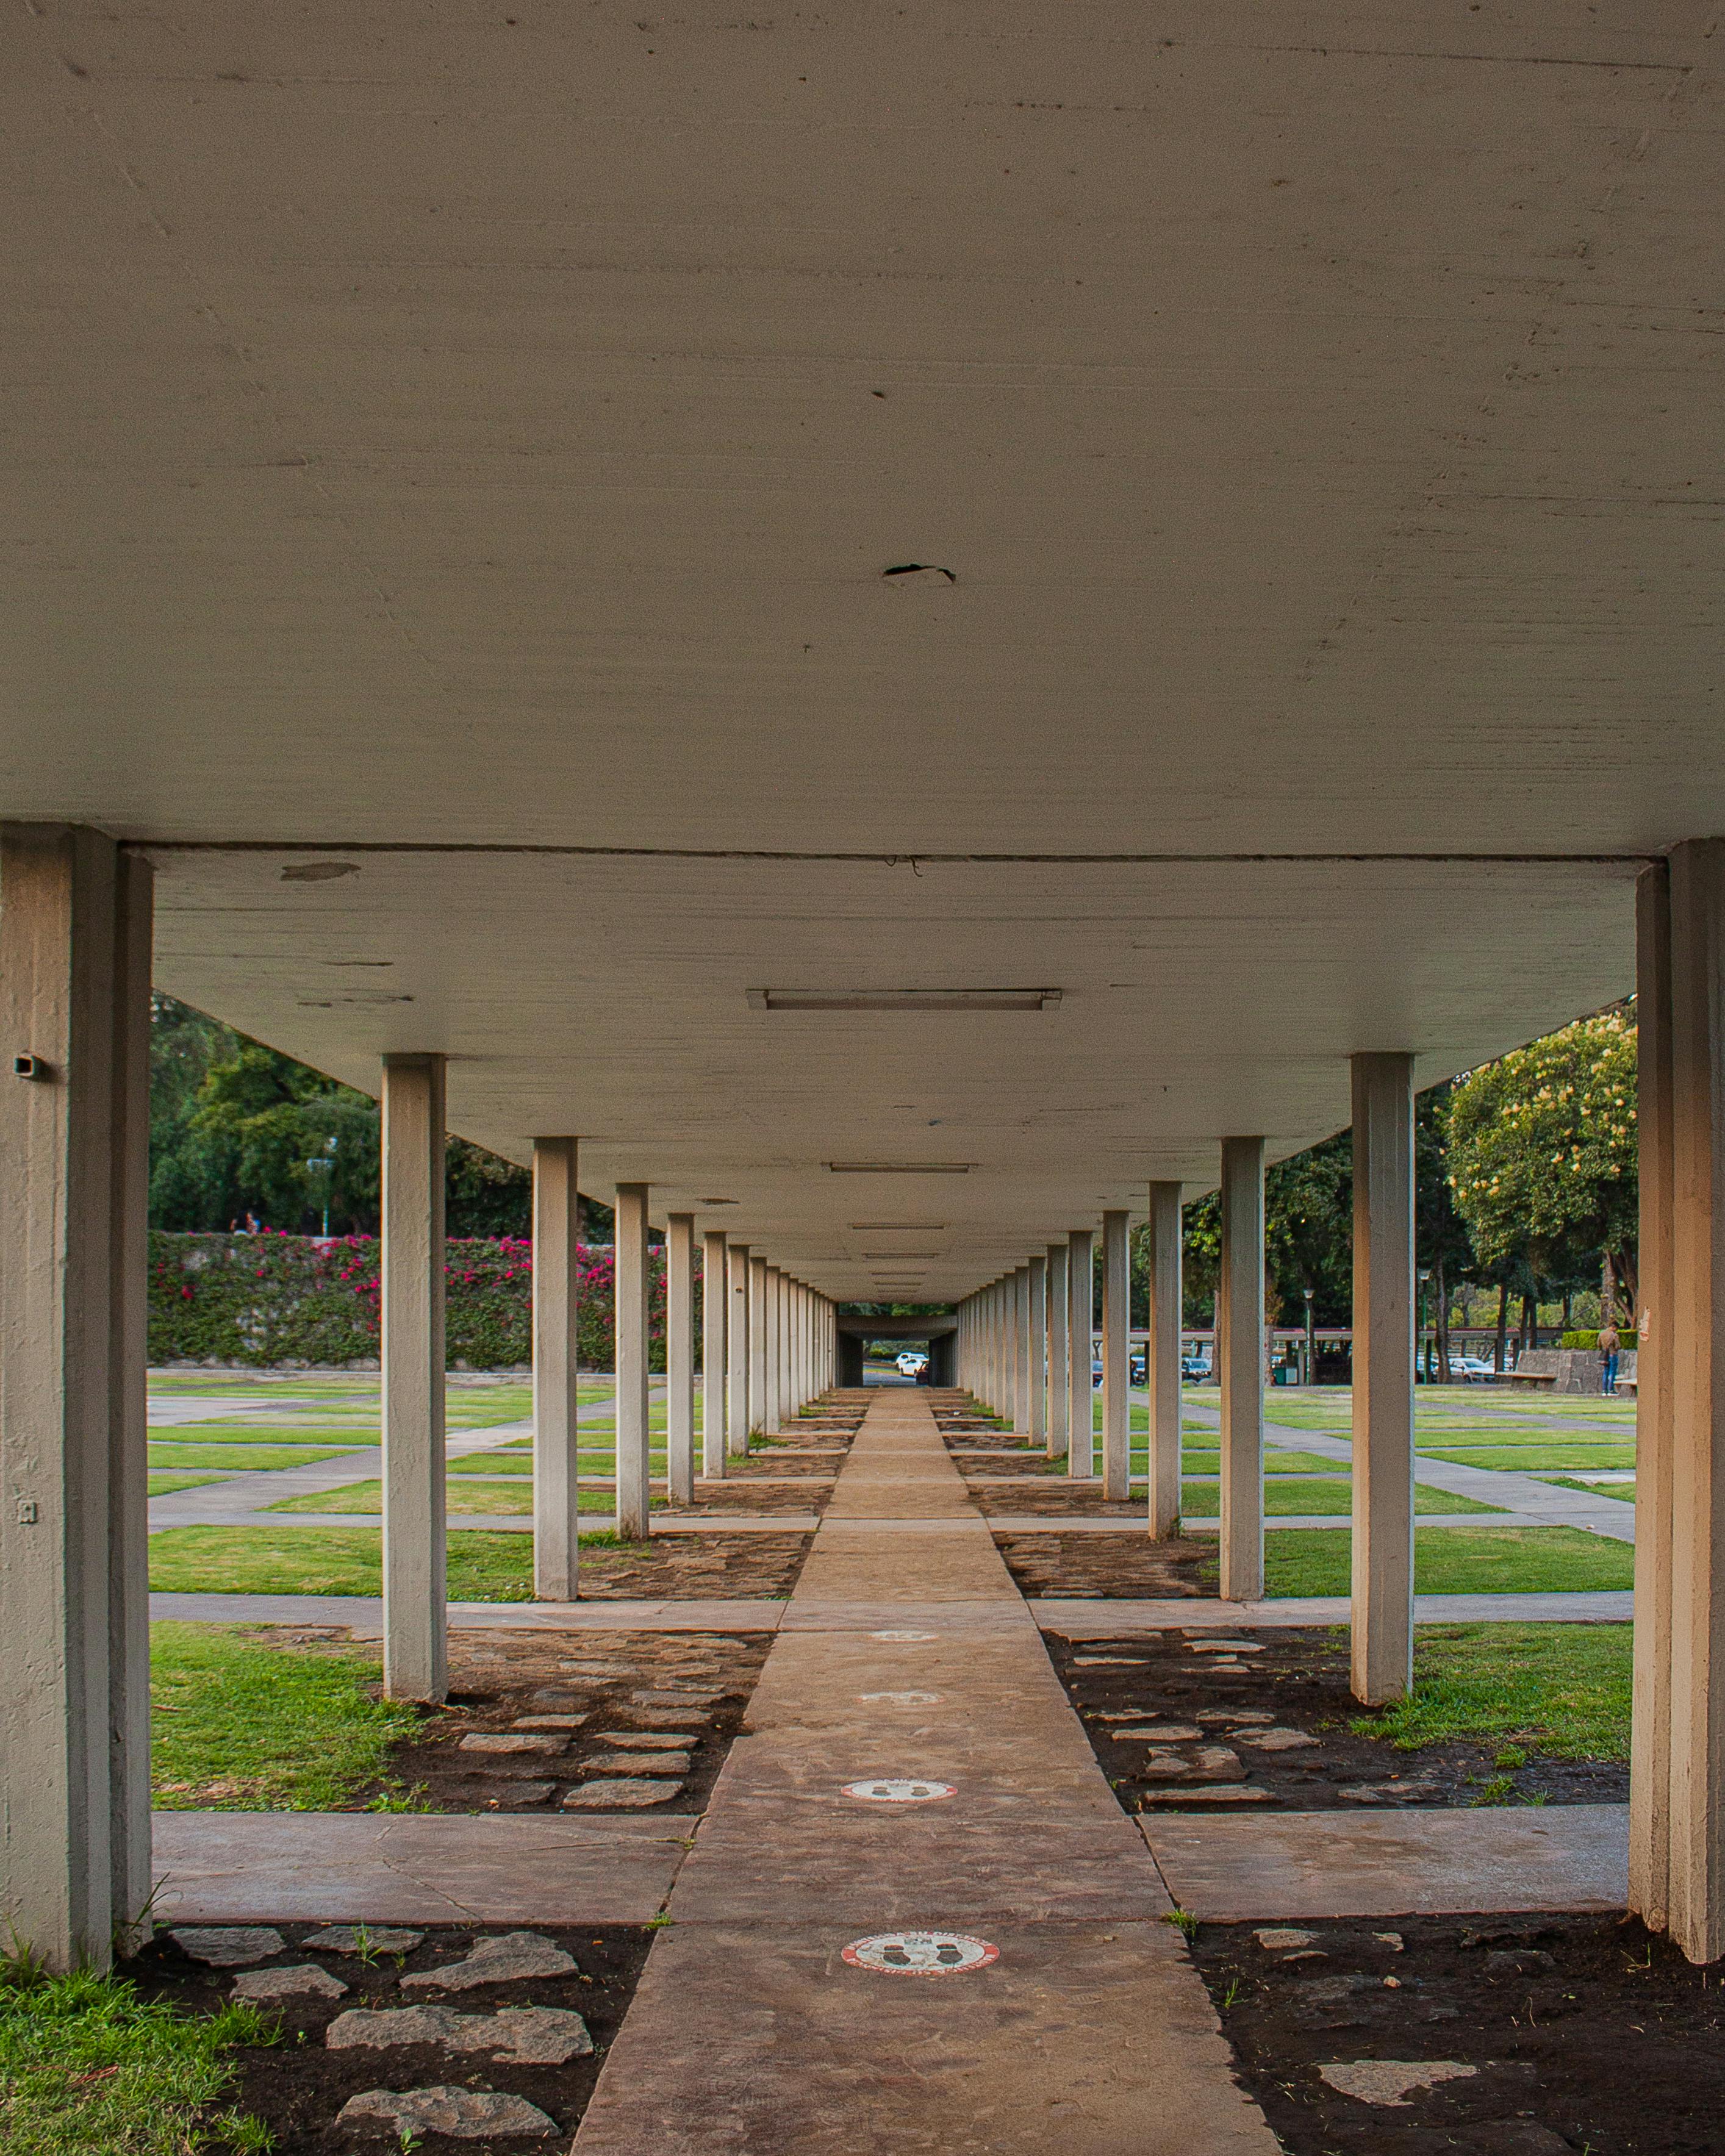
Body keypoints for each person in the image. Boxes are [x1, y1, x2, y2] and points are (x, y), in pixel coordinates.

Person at [1598, 1317, 1621, 1397]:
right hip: (1613, 1354)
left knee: (1606, 1372)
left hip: (1605, 1355)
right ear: (1614, 1327)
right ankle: (1611, 1390)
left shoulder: (1601, 1333)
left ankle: (1604, 1390)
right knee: (1612, 1372)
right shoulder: (1614, 1335)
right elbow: (1617, 1346)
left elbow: (1598, 1344)